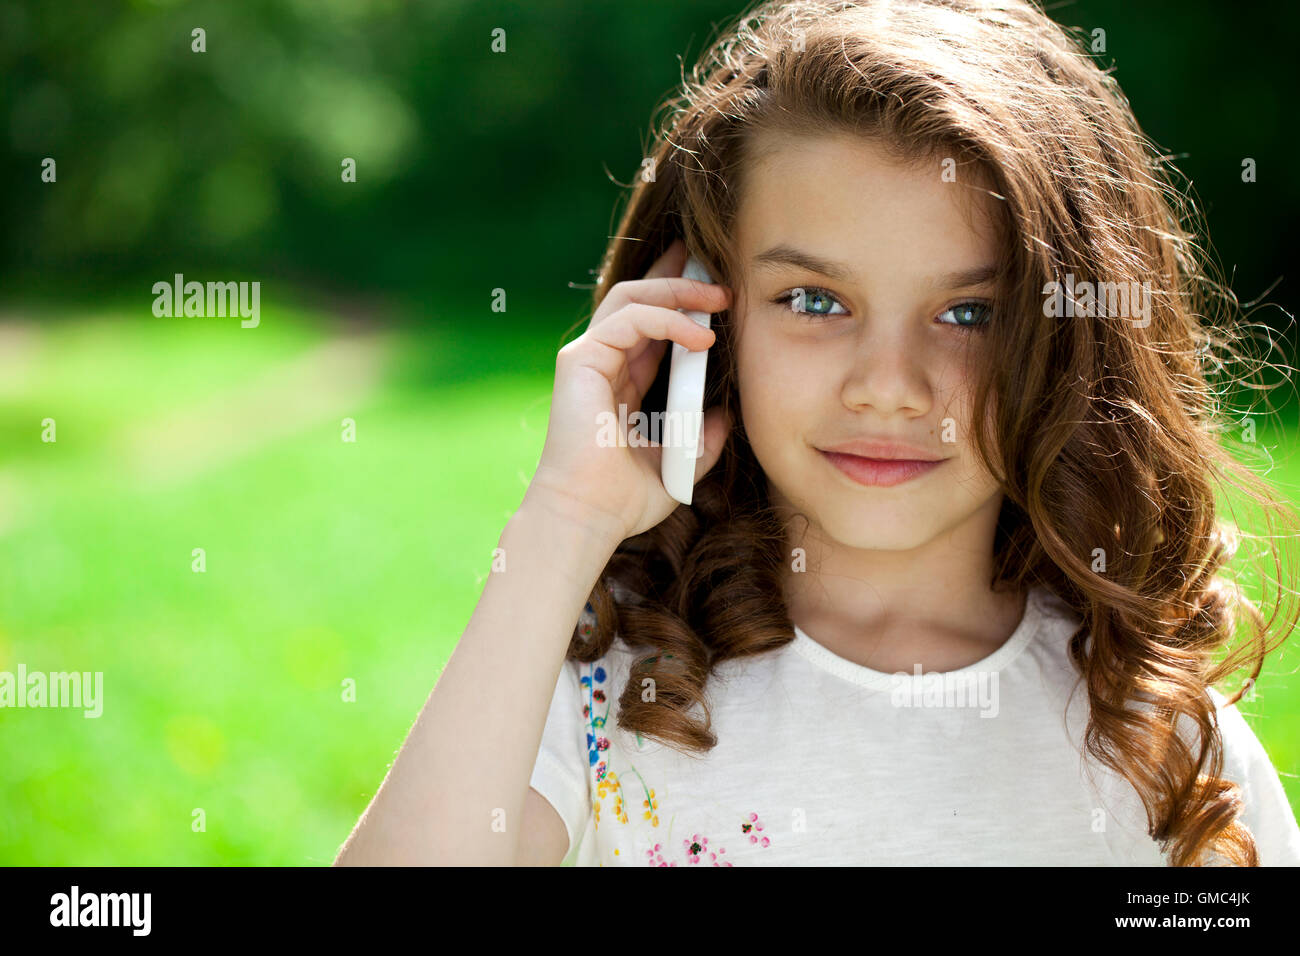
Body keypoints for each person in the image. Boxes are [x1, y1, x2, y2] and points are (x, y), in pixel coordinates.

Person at [335, 0, 1300, 866]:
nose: (889, 388)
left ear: (1068, 340)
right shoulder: (612, 692)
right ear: (705, 318)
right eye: (814, 299)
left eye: (967, 314)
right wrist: (563, 520)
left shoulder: (1160, 742)